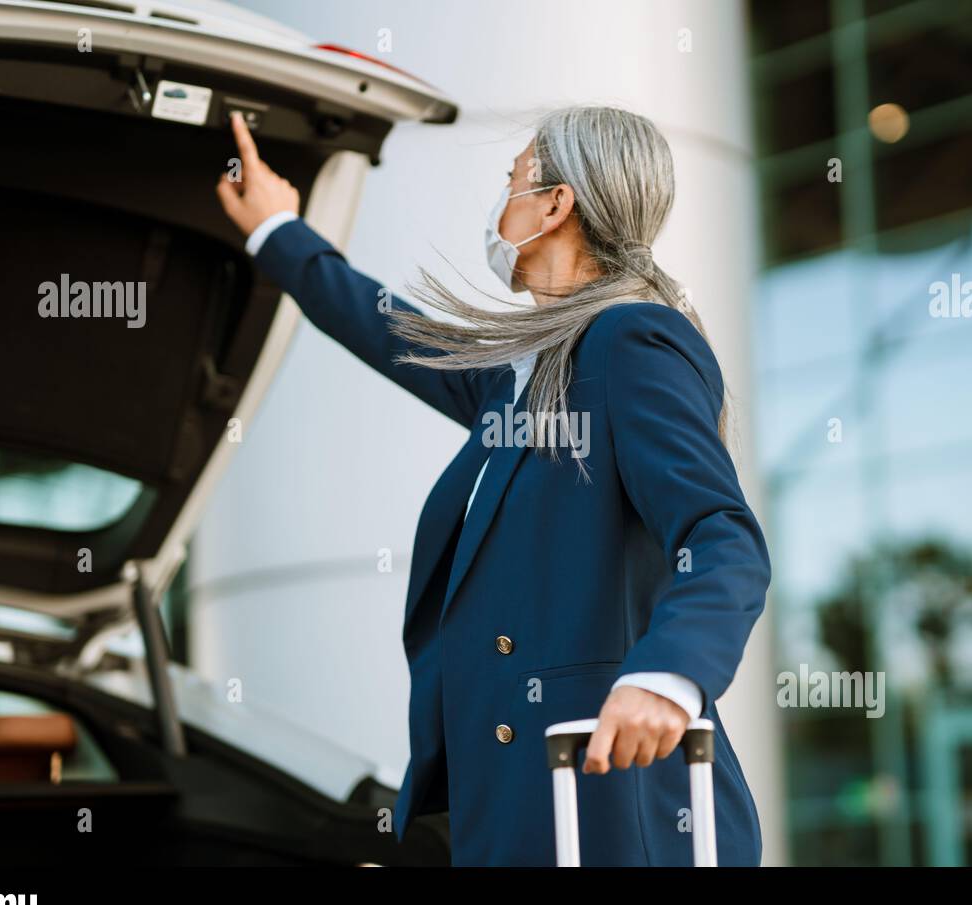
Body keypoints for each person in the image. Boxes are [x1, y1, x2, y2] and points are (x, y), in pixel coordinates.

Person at [215, 104, 772, 866]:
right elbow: (395, 334)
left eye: (511, 177)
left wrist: (669, 674)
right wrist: (278, 232)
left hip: (613, 814)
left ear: (555, 203)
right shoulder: (534, 370)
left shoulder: (630, 340)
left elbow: (720, 534)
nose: (500, 198)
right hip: (519, 806)